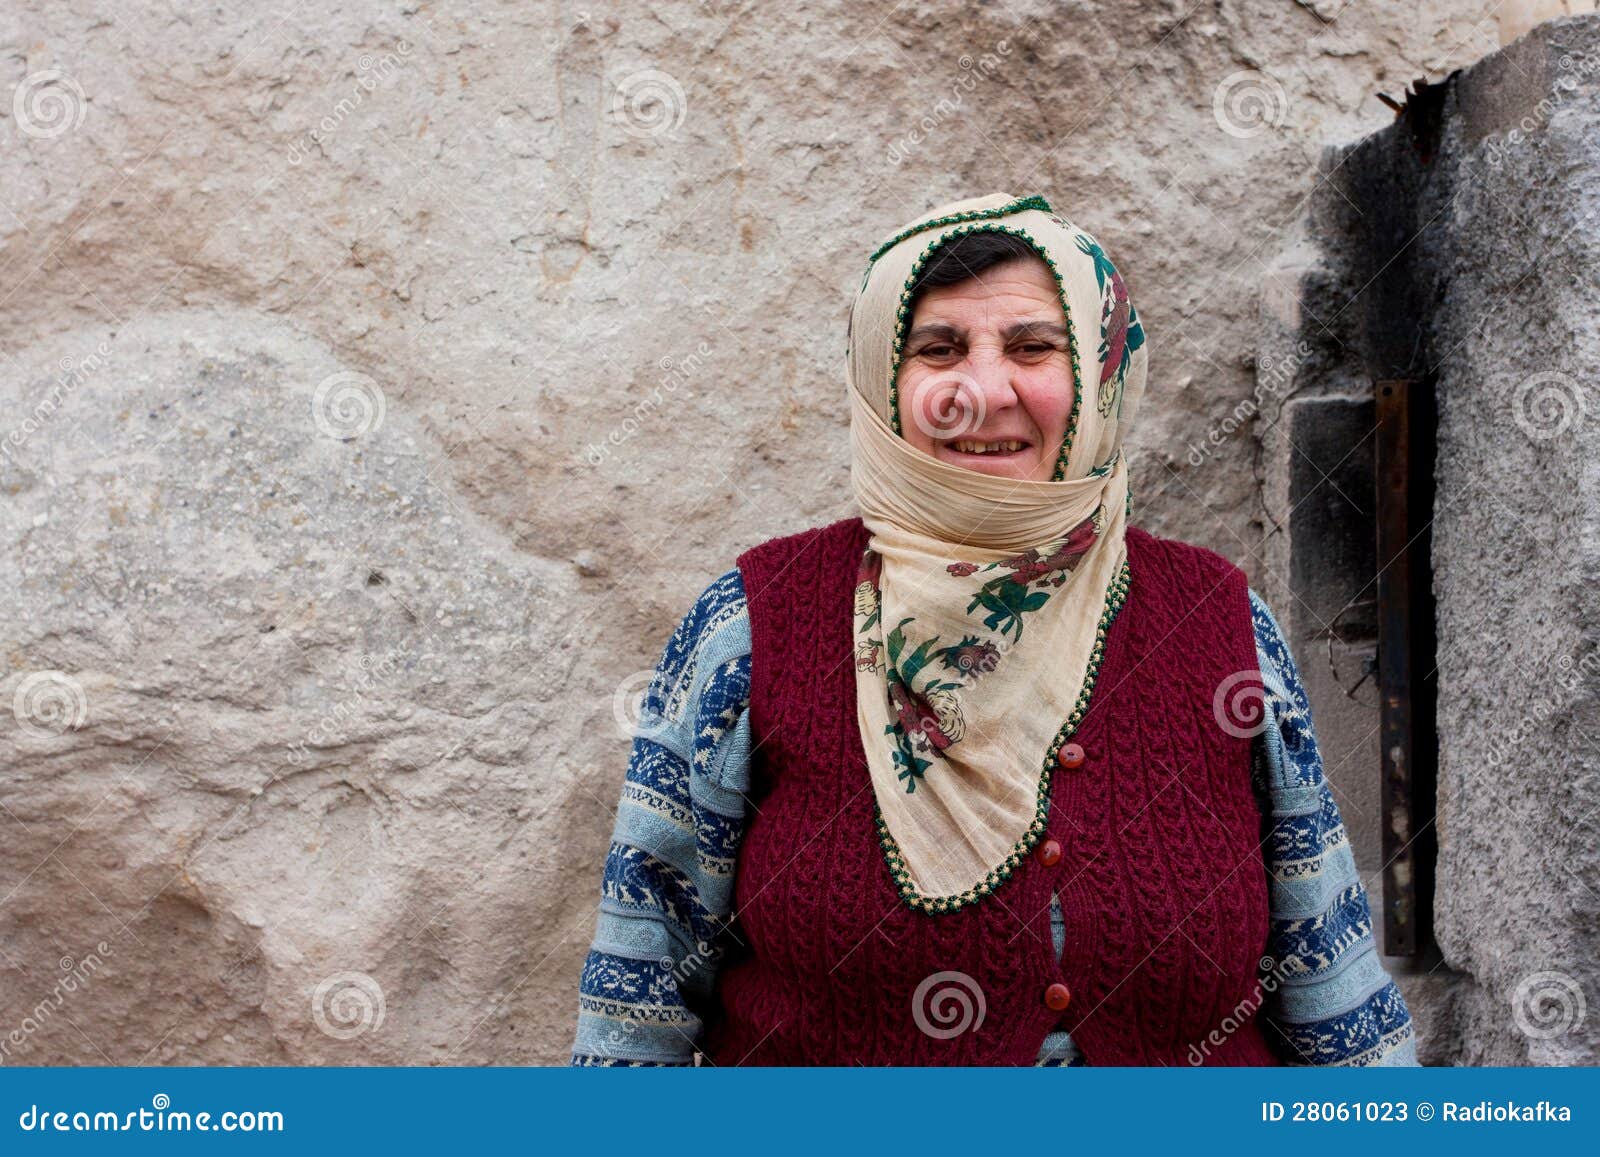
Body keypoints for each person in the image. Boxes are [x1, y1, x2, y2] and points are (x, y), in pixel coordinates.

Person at [570, 192, 1418, 1066]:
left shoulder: (1218, 623)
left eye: (1032, 348)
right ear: (880, 382)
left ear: (1099, 376)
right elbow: (639, 996)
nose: (981, 392)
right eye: (938, 350)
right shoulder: (753, 624)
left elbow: (1332, 987)